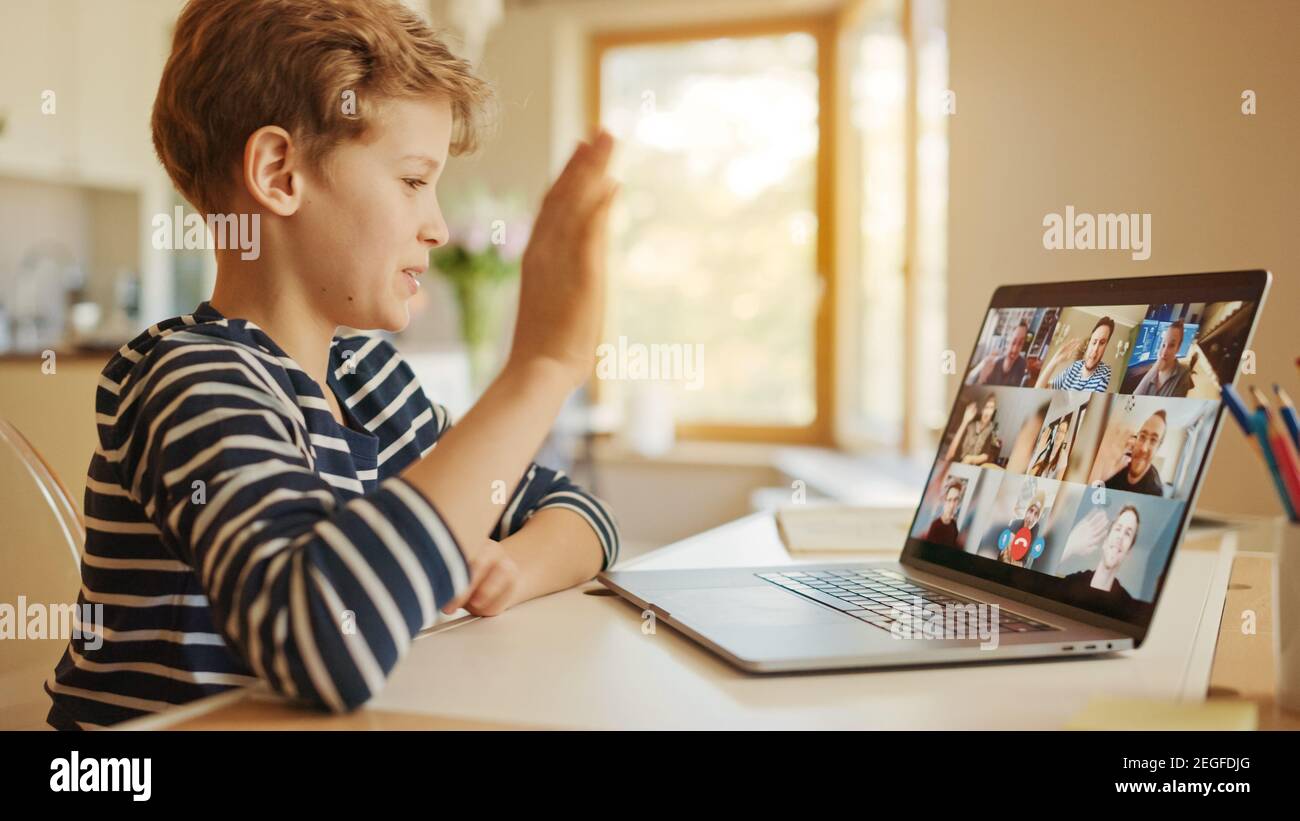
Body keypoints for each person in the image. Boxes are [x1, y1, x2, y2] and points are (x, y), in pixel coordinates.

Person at [46, 0, 622, 730]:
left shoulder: (371, 384)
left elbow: (583, 517)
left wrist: (510, 568)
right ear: (280, 172)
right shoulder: (188, 380)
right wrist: (542, 365)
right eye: (414, 180)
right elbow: (320, 637)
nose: (439, 225)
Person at [1059, 505, 1141, 606]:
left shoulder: (1127, 604)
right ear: (1105, 541)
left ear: (1128, 551)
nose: (1120, 537)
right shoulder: (1073, 582)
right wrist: (1069, 546)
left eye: (1127, 534)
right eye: (1118, 529)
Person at [1034, 316, 1115, 392]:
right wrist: (1054, 361)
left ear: (1106, 346)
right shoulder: (1074, 367)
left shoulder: (1105, 371)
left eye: (1102, 343)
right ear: (1089, 343)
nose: (1095, 350)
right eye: (1094, 342)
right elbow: (1039, 390)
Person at [1102, 410, 1168, 496]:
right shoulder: (1118, 466)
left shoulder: (1155, 493)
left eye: (1153, 440)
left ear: (1158, 447)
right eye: (1142, 436)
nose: (1143, 448)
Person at [1133, 320, 1193, 397]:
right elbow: (1135, 396)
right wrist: (1155, 368)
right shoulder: (1154, 371)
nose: (1164, 352)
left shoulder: (1183, 374)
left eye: (1171, 345)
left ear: (1178, 348)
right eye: (1163, 344)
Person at [967, 319, 1029, 386]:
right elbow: (970, 386)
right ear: (1008, 341)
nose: (1015, 349)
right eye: (1013, 342)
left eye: (1020, 343)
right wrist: (981, 380)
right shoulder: (992, 362)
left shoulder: (1022, 364)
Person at [945, 394, 1000, 466]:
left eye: (991, 408)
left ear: (993, 411)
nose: (988, 411)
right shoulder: (970, 425)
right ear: (982, 409)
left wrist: (970, 459)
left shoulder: (992, 430)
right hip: (958, 463)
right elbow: (950, 454)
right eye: (986, 407)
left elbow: (985, 455)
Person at [997, 491, 1045, 567]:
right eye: (1031, 510)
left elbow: (1023, 562)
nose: (1031, 517)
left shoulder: (1035, 531)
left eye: (1036, 514)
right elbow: (1003, 552)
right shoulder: (1015, 524)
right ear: (1026, 511)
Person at [1029, 413, 1072, 480]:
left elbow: (1057, 482)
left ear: (1065, 436)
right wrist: (1038, 451)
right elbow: (1034, 469)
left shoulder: (1063, 457)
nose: (1059, 434)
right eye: (1058, 430)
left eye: (1062, 431)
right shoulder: (1047, 449)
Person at [923, 481, 964, 547]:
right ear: (945, 501)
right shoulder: (935, 526)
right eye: (949, 500)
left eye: (956, 500)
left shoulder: (953, 525)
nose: (952, 505)